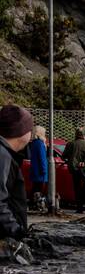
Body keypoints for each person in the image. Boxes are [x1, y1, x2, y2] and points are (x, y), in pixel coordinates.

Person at [0, 103, 33, 240]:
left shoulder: (5, 153)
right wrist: (17, 232)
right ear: (21, 132)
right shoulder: (3, 156)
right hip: (6, 238)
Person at [62, 128, 85, 213]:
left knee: (77, 188)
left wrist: (70, 160)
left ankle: (79, 208)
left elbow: (63, 156)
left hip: (74, 170)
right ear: (84, 136)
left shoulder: (70, 144)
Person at [29, 123, 48, 211]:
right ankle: (37, 205)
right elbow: (42, 158)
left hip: (34, 169)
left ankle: (33, 204)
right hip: (40, 171)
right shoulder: (40, 144)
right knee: (39, 189)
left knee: (35, 188)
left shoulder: (33, 143)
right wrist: (44, 170)